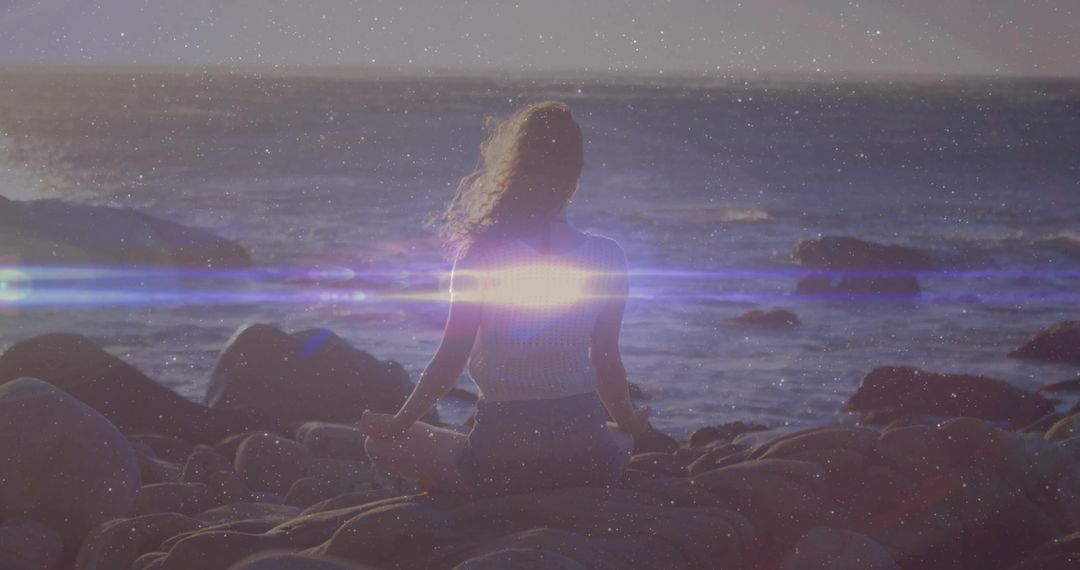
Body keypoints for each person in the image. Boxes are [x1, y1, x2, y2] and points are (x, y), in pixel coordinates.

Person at [356, 100, 651, 495]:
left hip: (502, 465)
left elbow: (451, 359)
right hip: (588, 462)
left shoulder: (482, 251)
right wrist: (631, 421)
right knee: (619, 437)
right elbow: (605, 360)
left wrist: (398, 422)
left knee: (380, 446)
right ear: (576, 172)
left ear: (513, 167)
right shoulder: (607, 254)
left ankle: (479, 490)